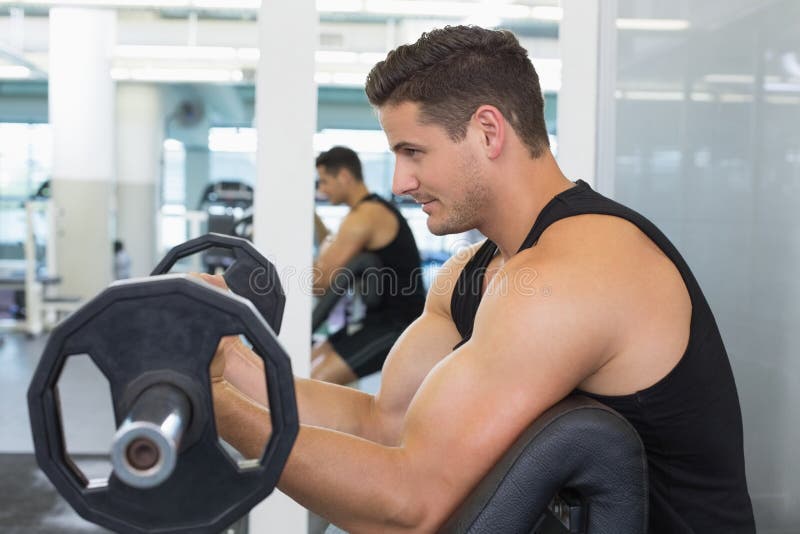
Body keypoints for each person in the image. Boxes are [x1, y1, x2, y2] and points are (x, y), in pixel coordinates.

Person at [208, 25, 755, 533]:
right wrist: (223, 356)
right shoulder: (469, 274)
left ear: (488, 131)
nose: (400, 182)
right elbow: (381, 422)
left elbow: (410, 507)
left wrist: (218, 405)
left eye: (413, 152)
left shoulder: (577, 272)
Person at [310, 146, 426, 384]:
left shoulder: (364, 218)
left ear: (344, 176)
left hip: (398, 326)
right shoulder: (366, 211)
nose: (321, 189)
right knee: (308, 362)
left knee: (315, 381)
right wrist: (308, 214)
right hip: (373, 320)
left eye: (324, 181)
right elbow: (330, 246)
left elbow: (321, 283)